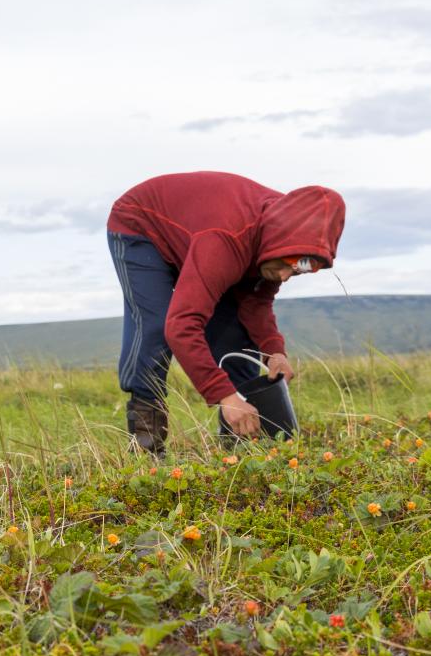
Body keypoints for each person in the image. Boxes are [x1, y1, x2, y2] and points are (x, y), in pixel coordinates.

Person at [106, 171, 346, 456]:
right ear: (277, 240)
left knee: (236, 335)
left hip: (201, 238)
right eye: (286, 263)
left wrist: (273, 352)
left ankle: (238, 448)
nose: (284, 276)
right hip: (142, 227)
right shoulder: (225, 241)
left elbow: (255, 304)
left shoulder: (282, 241)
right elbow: (182, 326)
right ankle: (147, 448)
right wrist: (223, 395)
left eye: (301, 268)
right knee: (157, 327)